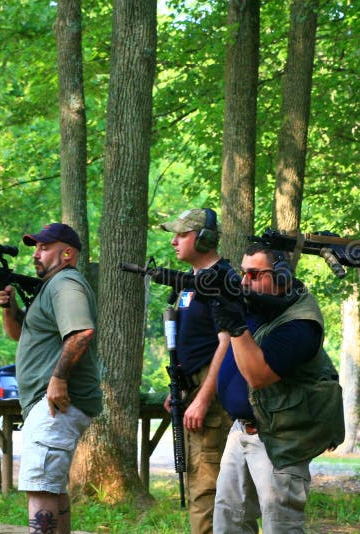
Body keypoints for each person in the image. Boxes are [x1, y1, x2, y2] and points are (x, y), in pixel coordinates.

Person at [210, 243, 344, 534]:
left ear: (282, 276)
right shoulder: (260, 305)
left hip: (280, 438)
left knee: (280, 526)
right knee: (228, 520)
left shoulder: (301, 324)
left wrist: (235, 323)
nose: (245, 282)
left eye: (254, 274)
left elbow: (258, 376)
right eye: (243, 274)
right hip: (242, 430)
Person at [0, 222, 102, 534]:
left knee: (40, 486)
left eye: (44, 247)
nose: (36, 254)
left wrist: (58, 379)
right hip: (49, 403)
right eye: (36, 248)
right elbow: (19, 334)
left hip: (55, 402)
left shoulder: (65, 284)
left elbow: (82, 333)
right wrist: (9, 307)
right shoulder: (50, 287)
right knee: (51, 487)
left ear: (67, 254)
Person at [160, 208, 234, 534]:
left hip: (212, 391)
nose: (174, 241)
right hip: (191, 387)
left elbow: (228, 342)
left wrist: (203, 398)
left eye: (182, 234)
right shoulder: (190, 283)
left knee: (207, 486)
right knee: (197, 481)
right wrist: (179, 387)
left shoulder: (221, 280)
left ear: (204, 238)